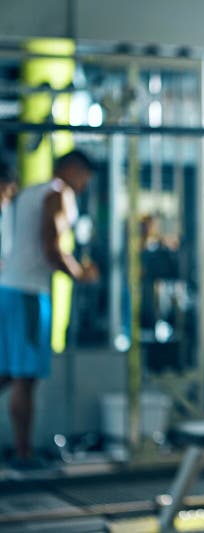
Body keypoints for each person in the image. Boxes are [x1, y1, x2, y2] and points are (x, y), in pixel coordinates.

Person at [0, 149, 98, 468]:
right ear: (72, 169)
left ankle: (21, 452)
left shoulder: (29, 193)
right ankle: (23, 454)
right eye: (84, 177)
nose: (83, 185)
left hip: (10, 289)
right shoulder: (58, 194)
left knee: (6, 374)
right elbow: (52, 246)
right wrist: (80, 274)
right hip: (29, 293)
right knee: (24, 378)